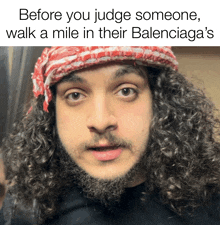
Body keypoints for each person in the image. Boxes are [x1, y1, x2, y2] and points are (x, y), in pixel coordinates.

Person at [1, 46, 220, 225]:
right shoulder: (26, 206)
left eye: (126, 91)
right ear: (52, 112)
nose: (101, 121)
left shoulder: (210, 197)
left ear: (160, 102)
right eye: (75, 95)